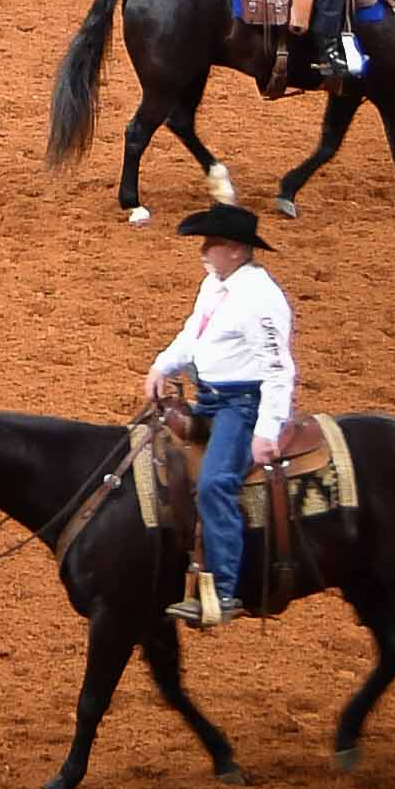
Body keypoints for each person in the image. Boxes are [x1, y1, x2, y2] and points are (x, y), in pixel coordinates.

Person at [142, 204, 299, 628]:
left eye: (210, 244)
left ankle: (225, 590)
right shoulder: (216, 284)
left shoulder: (261, 298)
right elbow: (192, 333)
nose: (204, 252)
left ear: (234, 249)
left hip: (242, 405)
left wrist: (267, 430)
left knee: (215, 483)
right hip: (209, 398)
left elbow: (278, 369)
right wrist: (162, 365)